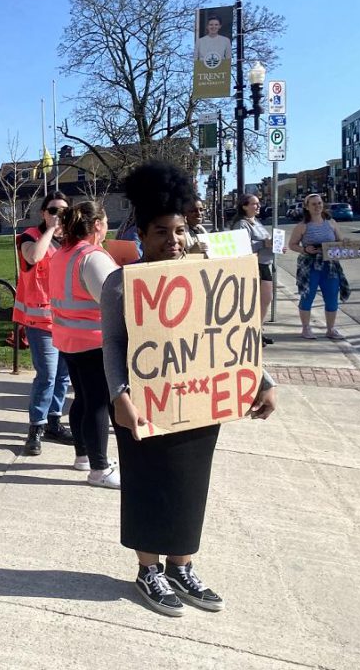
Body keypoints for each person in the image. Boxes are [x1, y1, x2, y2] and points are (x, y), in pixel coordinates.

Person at [102, 161, 277, 617]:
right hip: (142, 403)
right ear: (141, 234)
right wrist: (120, 395)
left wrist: (264, 380)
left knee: (189, 483)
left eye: (178, 231)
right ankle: (148, 570)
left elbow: (230, 334)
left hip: (200, 400)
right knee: (146, 482)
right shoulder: (120, 284)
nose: (173, 241)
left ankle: (181, 565)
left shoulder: (206, 274)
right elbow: (114, 344)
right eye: (161, 232)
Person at [48, 201, 121, 487]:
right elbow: (114, 300)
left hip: (68, 340)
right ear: (98, 226)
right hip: (94, 342)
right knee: (97, 404)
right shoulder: (92, 258)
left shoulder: (62, 254)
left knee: (82, 399)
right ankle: (99, 469)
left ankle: (83, 457)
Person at [14, 192, 74, 456]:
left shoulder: (71, 241)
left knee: (62, 377)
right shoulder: (30, 237)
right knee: (47, 376)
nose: (58, 216)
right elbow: (33, 258)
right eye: (53, 210)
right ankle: (35, 428)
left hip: (68, 321)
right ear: (43, 213)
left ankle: (54, 421)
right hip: (40, 321)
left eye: (63, 211)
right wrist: (50, 229)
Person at [288, 193, 350, 340]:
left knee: (331, 297)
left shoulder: (331, 222)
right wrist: (304, 249)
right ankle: (306, 328)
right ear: (307, 207)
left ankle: (330, 329)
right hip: (310, 265)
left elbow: (340, 241)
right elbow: (292, 245)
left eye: (319, 203)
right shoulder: (302, 226)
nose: (317, 206)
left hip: (330, 265)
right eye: (314, 204)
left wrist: (345, 242)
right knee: (307, 296)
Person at [233, 194, 275, 345]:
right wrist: (264, 244)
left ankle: (258, 329)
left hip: (265, 264)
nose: (258, 206)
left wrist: (276, 245)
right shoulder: (241, 224)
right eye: (254, 204)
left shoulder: (256, 222)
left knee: (265, 299)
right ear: (244, 206)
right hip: (252, 265)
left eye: (258, 204)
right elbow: (242, 246)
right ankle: (251, 333)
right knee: (254, 301)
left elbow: (266, 241)